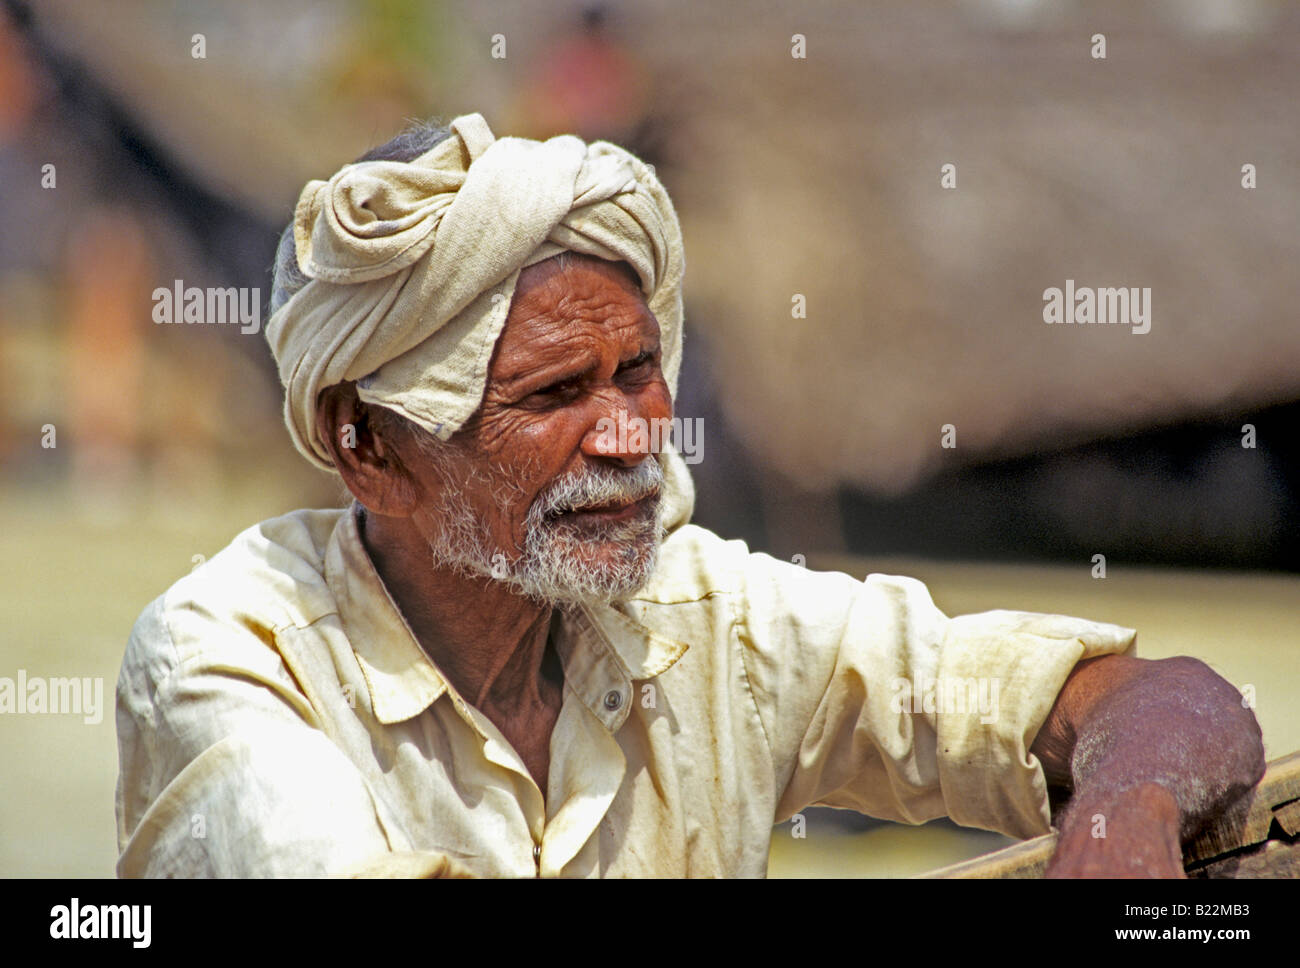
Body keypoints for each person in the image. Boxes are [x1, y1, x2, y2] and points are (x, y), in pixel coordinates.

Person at [114, 114, 1264, 878]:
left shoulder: (702, 614)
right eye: (554, 392)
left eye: (638, 371)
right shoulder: (230, 655)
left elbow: (1166, 698)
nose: (628, 434)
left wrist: (1130, 800)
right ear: (369, 449)